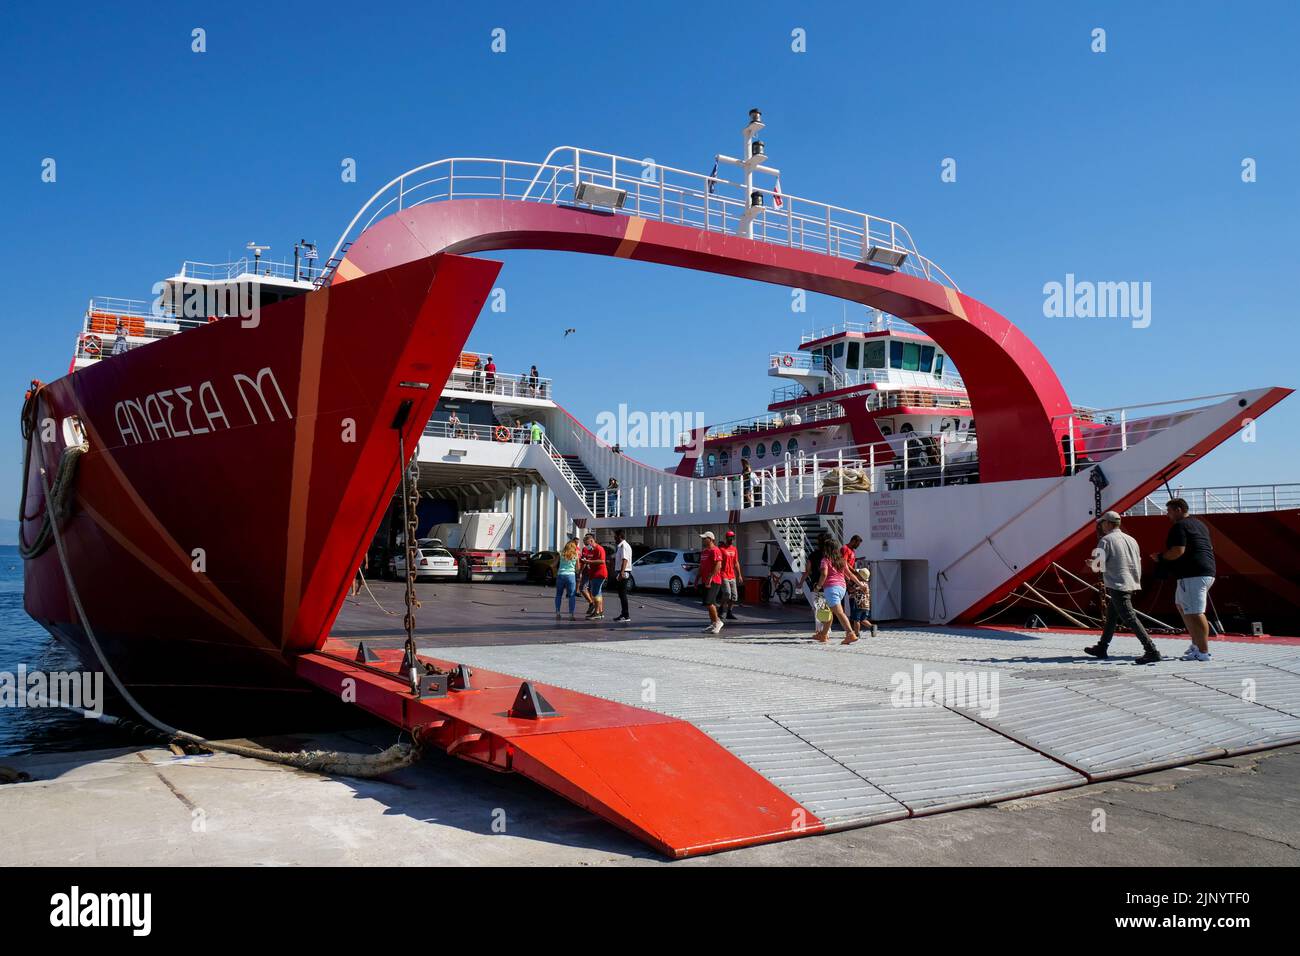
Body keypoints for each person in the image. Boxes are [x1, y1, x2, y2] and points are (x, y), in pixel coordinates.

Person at [1084, 511, 1161, 664]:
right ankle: (1102, 647)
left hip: (1117, 583)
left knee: (1130, 617)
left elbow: (1098, 565)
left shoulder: (1105, 540)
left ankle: (1151, 650)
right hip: (1130, 581)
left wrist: (1090, 564)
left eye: (1103, 523)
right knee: (1112, 616)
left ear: (1109, 523)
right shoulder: (1131, 539)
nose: (1101, 526)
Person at [1151, 497, 1217, 661]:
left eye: (1169, 511)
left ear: (1178, 509)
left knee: (1195, 612)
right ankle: (1196, 645)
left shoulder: (1179, 526)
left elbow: (1177, 551)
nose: (1168, 515)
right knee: (1182, 606)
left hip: (1193, 575)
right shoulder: (1200, 525)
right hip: (1202, 573)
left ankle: (1203, 652)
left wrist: (1160, 557)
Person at [812, 537, 858, 645]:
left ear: (826, 549)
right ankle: (823, 634)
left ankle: (850, 634)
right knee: (829, 612)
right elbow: (849, 574)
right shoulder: (841, 560)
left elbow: (824, 574)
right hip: (841, 587)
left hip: (831, 588)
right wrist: (860, 584)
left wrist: (818, 586)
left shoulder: (825, 560)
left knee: (839, 612)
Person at [842, 534, 878, 639]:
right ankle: (871, 627)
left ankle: (856, 634)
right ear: (853, 541)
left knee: (856, 619)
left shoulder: (852, 551)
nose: (858, 546)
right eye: (857, 543)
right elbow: (845, 563)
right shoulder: (845, 549)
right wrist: (853, 573)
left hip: (857, 603)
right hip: (865, 604)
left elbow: (849, 563)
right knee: (862, 619)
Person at [696, 531, 726, 634]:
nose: (703, 540)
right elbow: (702, 566)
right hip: (705, 580)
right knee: (709, 603)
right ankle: (714, 623)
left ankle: (717, 622)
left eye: (705, 538)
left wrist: (710, 577)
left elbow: (718, 565)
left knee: (709, 603)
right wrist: (697, 578)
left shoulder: (715, 550)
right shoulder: (704, 552)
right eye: (703, 538)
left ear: (711, 539)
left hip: (714, 581)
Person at [581, 533, 608, 620]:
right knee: (597, 593)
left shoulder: (599, 548)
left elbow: (602, 561)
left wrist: (589, 562)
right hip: (594, 574)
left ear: (592, 541)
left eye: (587, 544)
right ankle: (599, 612)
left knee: (595, 593)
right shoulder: (592, 550)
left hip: (599, 574)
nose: (586, 546)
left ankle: (597, 613)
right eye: (585, 544)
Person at [719, 529, 744, 621]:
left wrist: (739, 575)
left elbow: (736, 562)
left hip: (732, 575)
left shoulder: (734, 549)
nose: (731, 539)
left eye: (733, 537)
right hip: (723, 574)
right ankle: (722, 609)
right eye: (730, 537)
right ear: (726, 538)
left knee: (734, 597)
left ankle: (729, 611)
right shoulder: (722, 549)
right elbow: (718, 563)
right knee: (727, 594)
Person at [552, 538, 580, 620]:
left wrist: (559, 569)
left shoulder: (561, 554)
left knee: (558, 595)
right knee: (572, 596)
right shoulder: (576, 554)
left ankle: (557, 613)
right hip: (571, 576)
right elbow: (578, 568)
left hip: (560, 575)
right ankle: (571, 615)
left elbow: (553, 565)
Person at [611, 529, 633, 623]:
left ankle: (626, 615)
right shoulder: (620, 546)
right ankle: (624, 613)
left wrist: (621, 573)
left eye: (615, 536)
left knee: (623, 594)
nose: (614, 538)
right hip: (621, 571)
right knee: (621, 594)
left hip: (624, 571)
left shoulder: (624, 546)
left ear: (619, 536)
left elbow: (625, 560)